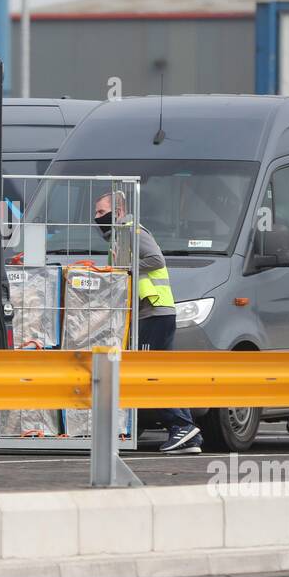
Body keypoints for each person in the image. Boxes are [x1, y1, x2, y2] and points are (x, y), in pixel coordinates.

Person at [95, 190, 203, 454]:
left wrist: (126, 266)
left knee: (149, 374)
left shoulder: (132, 231)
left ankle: (180, 424)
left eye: (100, 212)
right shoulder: (121, 237)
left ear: (117, 212)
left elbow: (156, 259)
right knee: (159, 372)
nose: (96, 217)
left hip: (155, 312)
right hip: (151, 313)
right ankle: (186, 430)